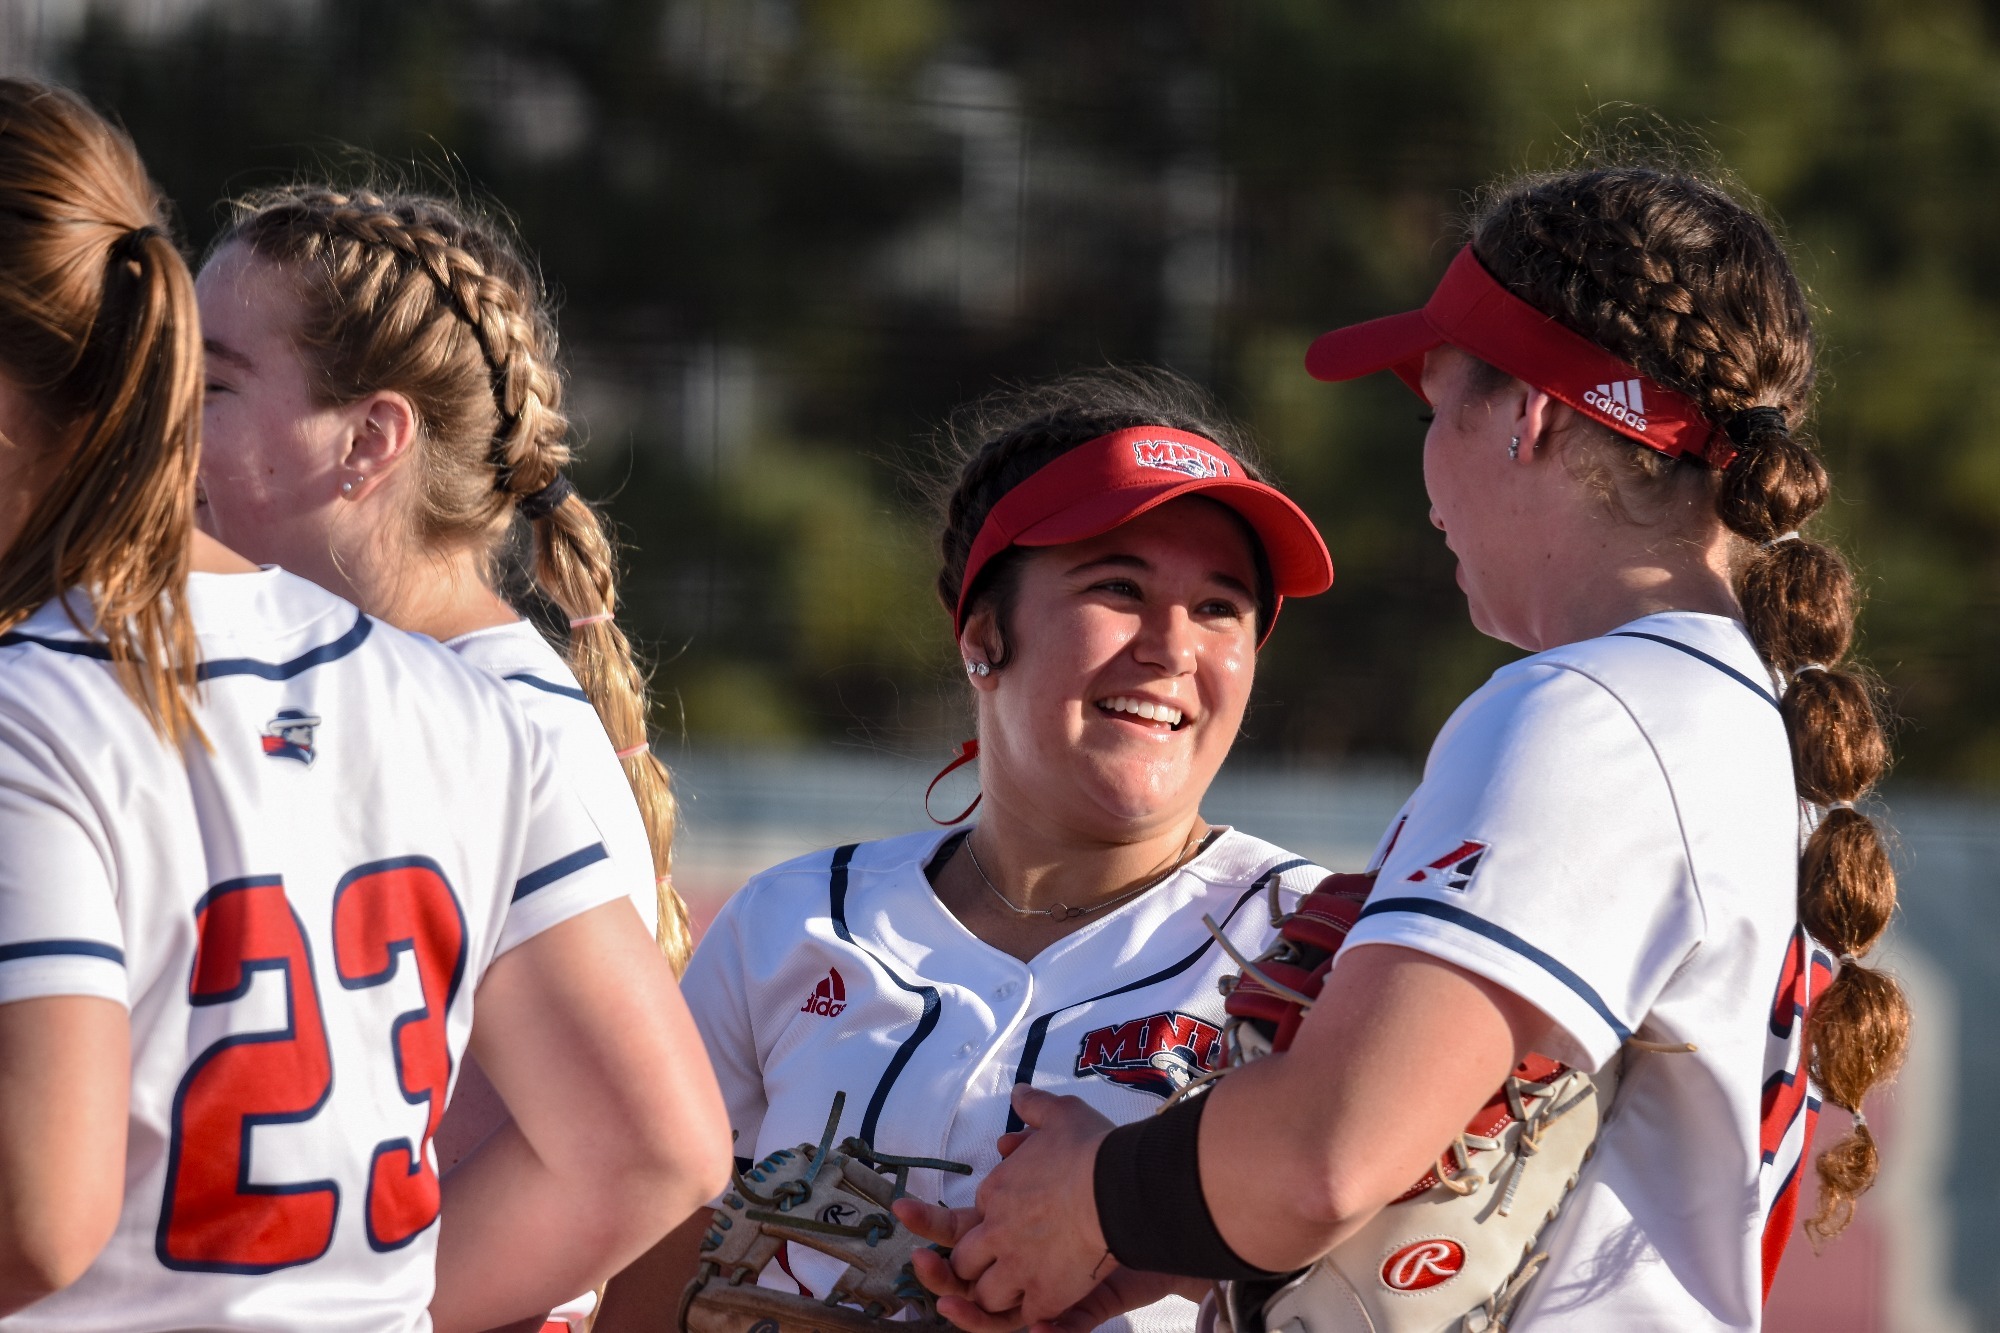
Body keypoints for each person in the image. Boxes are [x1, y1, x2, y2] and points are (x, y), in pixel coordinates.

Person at [905, 165, 1905, 1332]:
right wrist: (1187, 1235)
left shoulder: (1596, 711)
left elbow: (1325, 1157)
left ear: (1529, 416)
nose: (1424, 467)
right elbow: (1458, 1174)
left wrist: (1093, 1198)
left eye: (1435, 410)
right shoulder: (1743, 712)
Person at [0, 78, 731, 1332]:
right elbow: (650, 1142)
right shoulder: (455, 702)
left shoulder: (43, 706)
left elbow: (38, 1222)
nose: (181, 418)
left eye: (217, 385)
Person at [593, 368, 1336, 1333]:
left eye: (1219, 607)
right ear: (984, 633)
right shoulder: (793, 921)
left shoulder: (1316, 944)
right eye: (1119, 587)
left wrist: (1134, 1211)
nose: (1171, 646)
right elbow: (648, 1292)